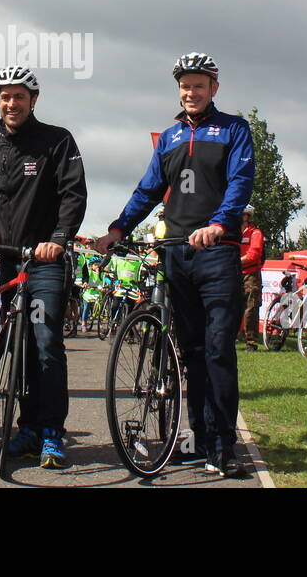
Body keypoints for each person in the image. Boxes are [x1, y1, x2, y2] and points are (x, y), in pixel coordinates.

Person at [95, 52, 254, 478]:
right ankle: (199, 440)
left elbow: (240, 182)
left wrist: (219, 224)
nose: (191, 92)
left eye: (199, 85)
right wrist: (117, 229)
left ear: (213, 89)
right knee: (192, 352)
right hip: (176, 252)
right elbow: (148, 190)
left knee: (218, 347)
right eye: (185, 85)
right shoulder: (167, 138)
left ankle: (224, 446)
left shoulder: (234, 130)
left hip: (217, 252)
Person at [0, 66, 87, 469]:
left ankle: (51, 433)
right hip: (9, 261)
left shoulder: (57, 140)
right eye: (5, 96)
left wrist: (57, 241)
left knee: (44, 342)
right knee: (19, 344)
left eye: (19, 96)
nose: (12, 103)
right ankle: (26, 428)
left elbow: (73, 195)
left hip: (45, 262)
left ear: (33, 100)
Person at [239, 205, 266, 351]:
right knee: (232, 307)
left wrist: (236, 260)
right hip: (234, 273)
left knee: (251, 308)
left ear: (246, 216)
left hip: (251, 275)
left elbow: (254, 254)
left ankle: (251, 342)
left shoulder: (255, 233)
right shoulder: (233, 232)